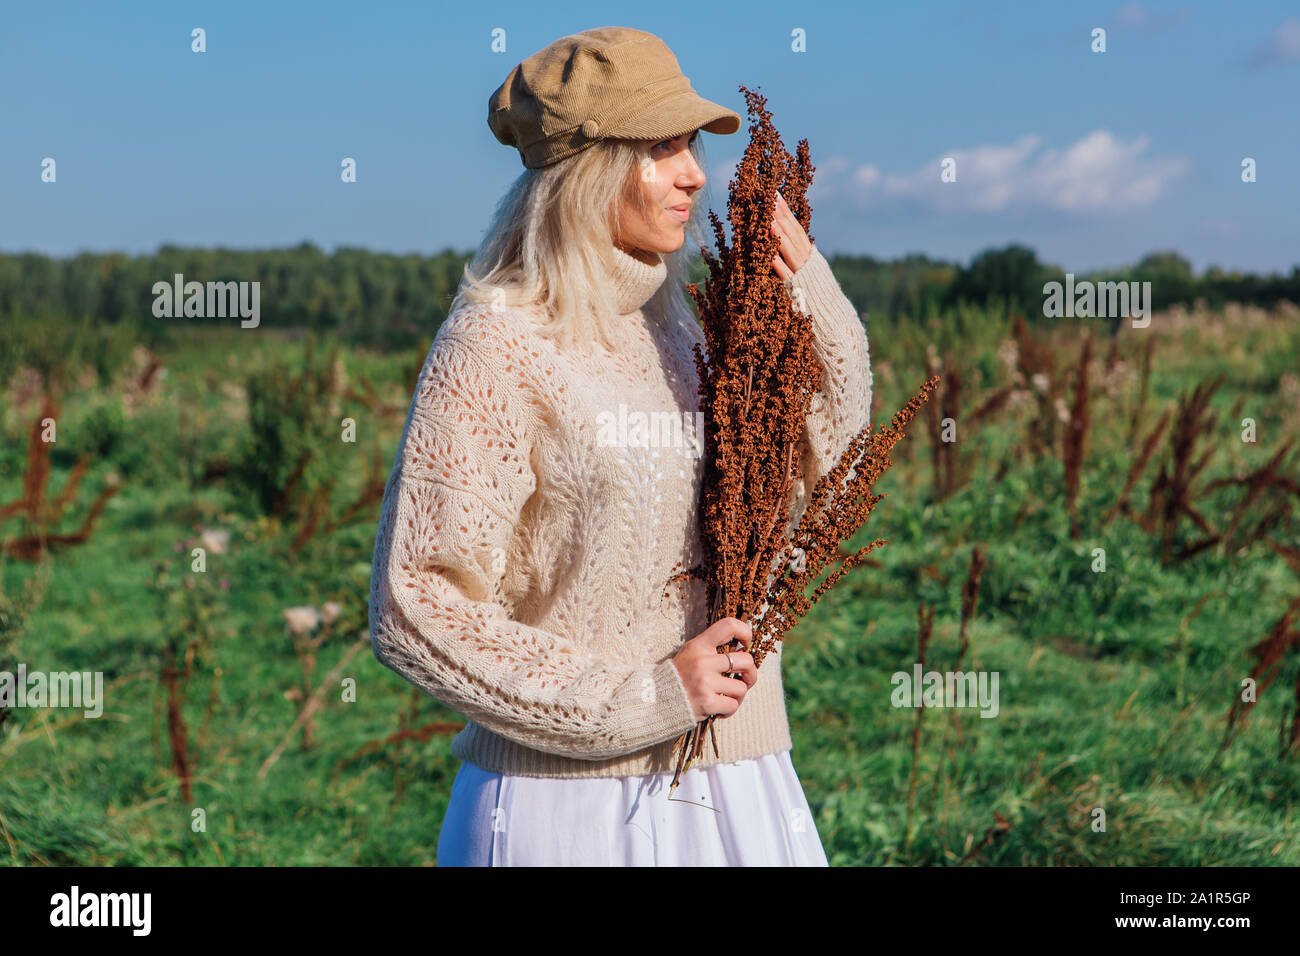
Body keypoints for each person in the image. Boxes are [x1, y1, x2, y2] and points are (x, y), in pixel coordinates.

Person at [368, 26, 873, 866]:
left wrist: (809, 288)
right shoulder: (498, 342)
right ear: (591, 168)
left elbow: (825, 478)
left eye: (693, 147)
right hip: (566, 809)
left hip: (739, 783)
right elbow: (416, 606)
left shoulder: (680, 333)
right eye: (664, 147)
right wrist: (640, 698)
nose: (696, 174)